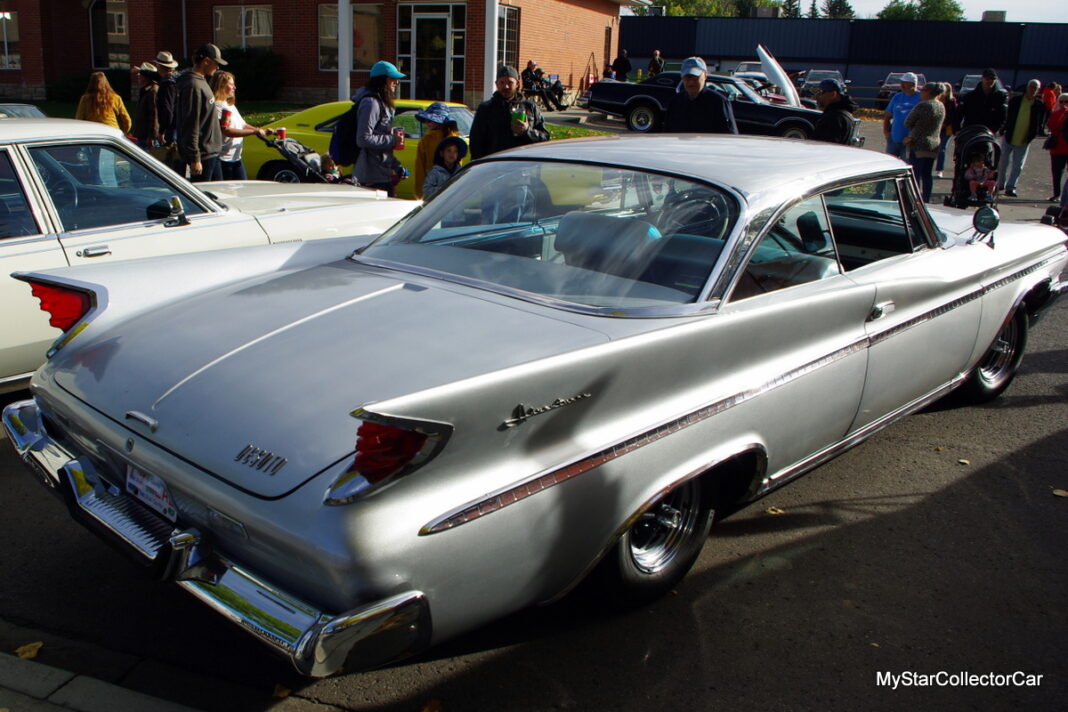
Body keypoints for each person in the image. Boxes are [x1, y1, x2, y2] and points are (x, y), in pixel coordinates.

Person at [469, 65, 549, 160]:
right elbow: (476, 143)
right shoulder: (486, 109)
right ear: (496, 84)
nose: (505, 86)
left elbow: (545, 138)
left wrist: (527, 131)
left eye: (510, 82)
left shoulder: (530, 107)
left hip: (523, 167)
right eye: (502, 82)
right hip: (495, 166)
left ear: (517, 83)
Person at [351, 60, 407, 196]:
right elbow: (363, 139)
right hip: (371, 178)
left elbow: (380, 144)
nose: (397, 82)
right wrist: (392, 140)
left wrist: (396, 166)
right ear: (382, 80)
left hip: (383, 173)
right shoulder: (371, 103)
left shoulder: (381, 103)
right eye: (393, 78)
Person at [175, 43, 227, 182]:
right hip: (203, 155)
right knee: (204, 197)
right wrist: (195, 158)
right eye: (216, 63)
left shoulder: (201, 81)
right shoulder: (193, 85)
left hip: (211, 152)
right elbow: (191, 123)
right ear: (206, 61)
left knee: (218, 196)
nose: (218, 67)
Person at [209, 70, 268, 180]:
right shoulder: (217, 107)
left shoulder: (229, 105)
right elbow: (226, 130)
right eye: (231, 84)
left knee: (242, 188)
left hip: (236, 157)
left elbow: (243, 125)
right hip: (223, 159)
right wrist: (253, 132)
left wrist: (260, 130)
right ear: (221, 85)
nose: (234, 87)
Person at [997, 78, 1047, 197]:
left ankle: (1011, 187)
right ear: (1027, 87)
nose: (1032, 89)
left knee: (1018, 165)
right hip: (1009, 135)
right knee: (1003, 161)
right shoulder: (1016, 100)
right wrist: (1003, 129)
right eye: (1031, 87)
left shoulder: (1039, 105)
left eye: (1035, 88)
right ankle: (1000, 183)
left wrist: (1033, 135)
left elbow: (1041, 122)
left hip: (1024, 138)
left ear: (1038, 90)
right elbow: (1007, 116)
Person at [663, 56, 738, 135]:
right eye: (687, 77)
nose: (691, 82)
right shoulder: (675, 103)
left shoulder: (718, 102)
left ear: (705, 75)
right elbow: (667, 134)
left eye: (695, 77)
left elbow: (730, 138)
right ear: (682, 77)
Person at [903, 83, 946, 203]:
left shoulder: (923, 105)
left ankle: (913, 199)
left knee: (915, 174)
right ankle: (926, 198)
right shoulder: (941, 106)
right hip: (934, 143)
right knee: (927, 174)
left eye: (923, 90)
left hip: (918, 143)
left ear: (928, 92)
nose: (920, 92)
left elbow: (908, 122)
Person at [412, 101, 459, 199]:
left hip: (449, 188)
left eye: (430, 120)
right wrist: (421, 194)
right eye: (426, 120)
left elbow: (458, 166)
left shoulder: (453, 139)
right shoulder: (425, 141)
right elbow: (420, 169)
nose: (426, 123)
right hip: (432, 187)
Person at [882, 71, 920, 160]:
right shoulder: (897, 96)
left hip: (909, 140)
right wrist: (886, 132)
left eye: (905, 83)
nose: (902, 85)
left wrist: (912, 137)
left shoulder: (920, 98)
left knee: (906, 163)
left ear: (913, 84)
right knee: (890, 161)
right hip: (894, 137)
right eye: (901, 82)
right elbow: (888, 115)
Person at [959, 68, 1008, 133]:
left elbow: (1003, 118)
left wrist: (995, 130)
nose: (990, 81)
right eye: (987, 78)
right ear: (982, 79)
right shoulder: (970, 96)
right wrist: (957, 129)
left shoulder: (1000, 97)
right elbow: (959, 113)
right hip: (970, 131)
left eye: (993, 79)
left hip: (990, 133)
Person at [812, 78, 858, 145]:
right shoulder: (843, 114)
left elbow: (826, 146)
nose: (817, 96)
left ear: (833, 94)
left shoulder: (834, 118)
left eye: (821, 92)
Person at [422, 135, 467, 201]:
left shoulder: (460, 172)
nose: (452, 154)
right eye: (449, 150)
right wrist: (445, 189)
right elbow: (426, 192)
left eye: (455, 151)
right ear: (442, 153)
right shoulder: (435, 172)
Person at [152, 50, 180, 146]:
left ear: (159, 66)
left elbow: (167, 109)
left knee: (170, 155)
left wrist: (162, 130)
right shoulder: (176, 79)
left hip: (172, 128)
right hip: (179, 124)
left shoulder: (167, 84)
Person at [1045, 92, 1068, 202]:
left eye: (1066, 101)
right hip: (1057, 148)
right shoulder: (1056, 113)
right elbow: (1051, 126)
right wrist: (1062, 112)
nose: (1064, 104)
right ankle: (1056, 194)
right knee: (1057, 173)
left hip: (1066, 147)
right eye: (1061, 101)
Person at [131, 62, 160, 149]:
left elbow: (154, 114)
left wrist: (152, 136)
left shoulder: (153, 91)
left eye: (142, 74)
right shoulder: (145, 90)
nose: (138, 75)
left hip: (148, 137)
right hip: (142, 135)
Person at [934, 82, 959, 178]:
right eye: (945, 90)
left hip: (947, 129)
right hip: (936, 128)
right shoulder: (937, 100)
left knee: (942, 148)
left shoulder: (952, 101)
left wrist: (944, 124)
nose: (946, 92)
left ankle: (940, 170)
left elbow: (953, 116)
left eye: (948, 90)